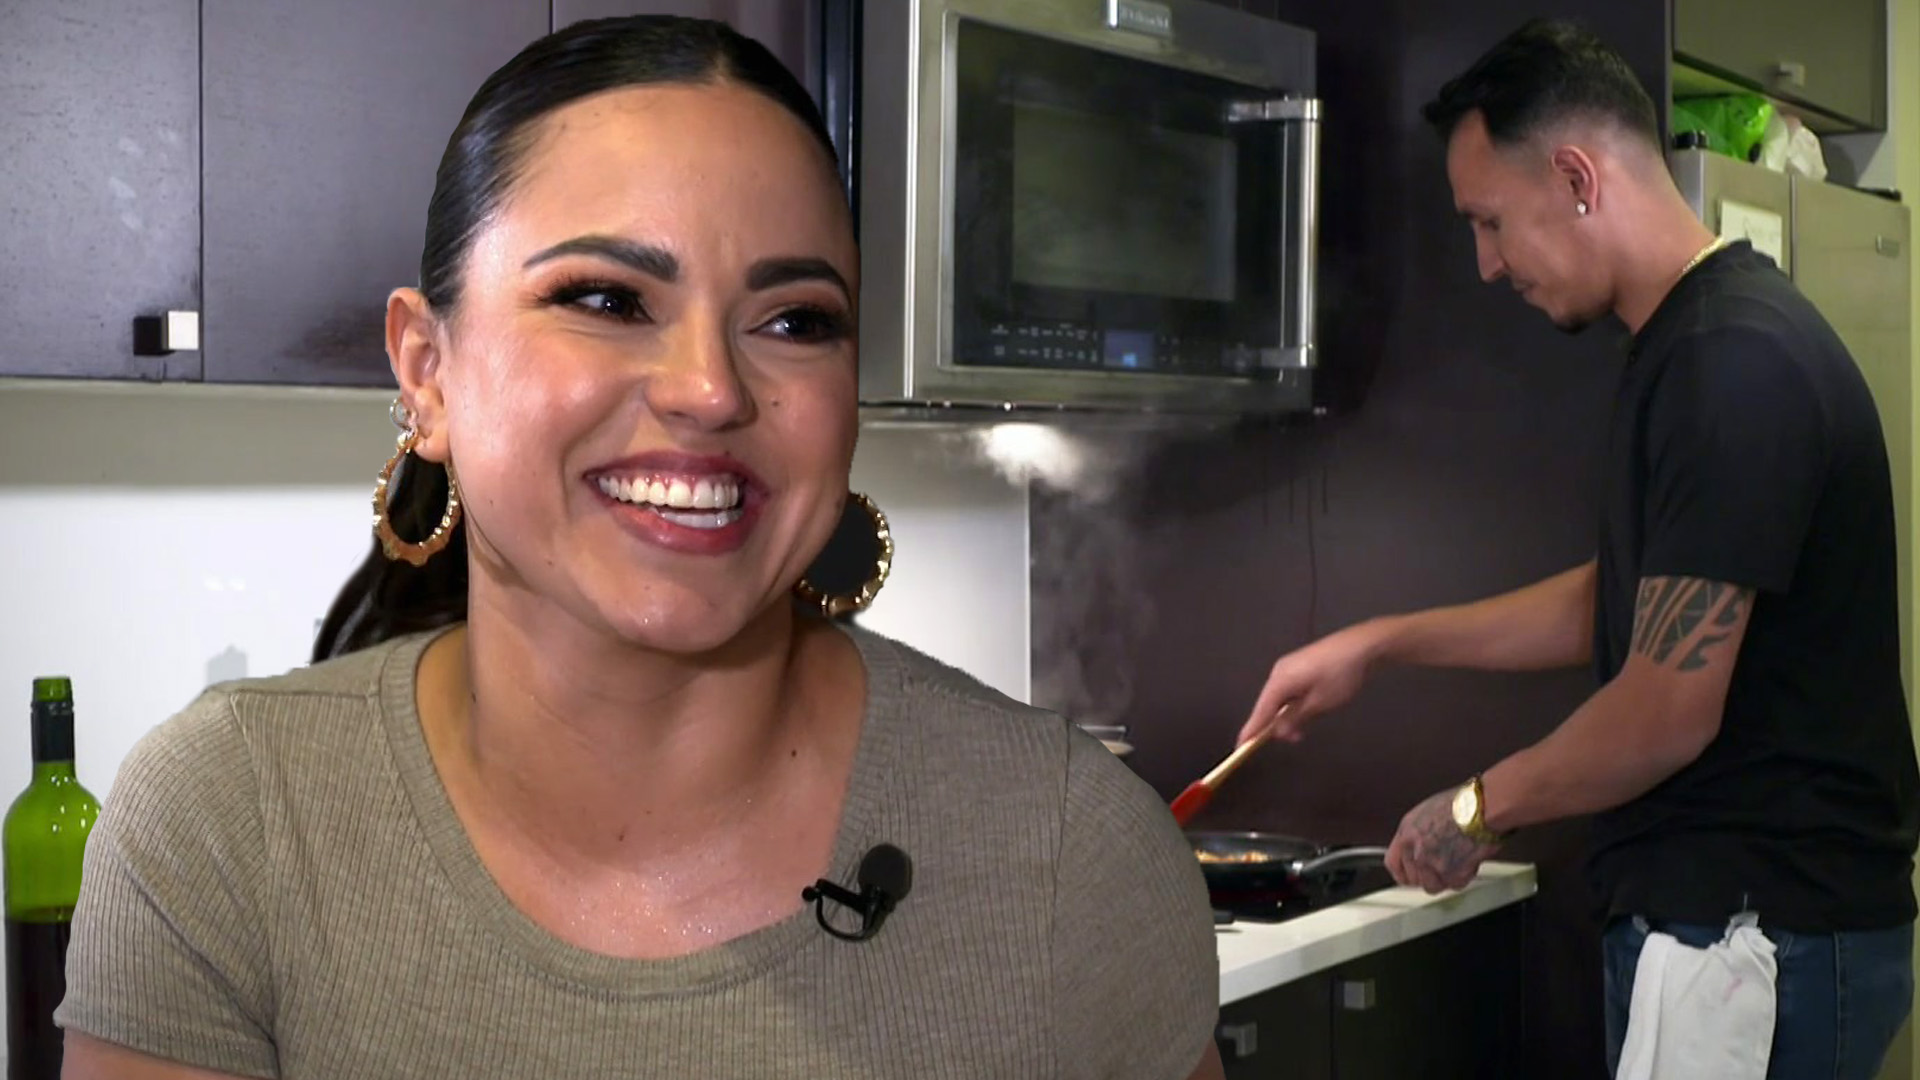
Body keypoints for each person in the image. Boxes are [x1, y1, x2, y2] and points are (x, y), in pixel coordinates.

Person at [54, 17, 1222, 1079]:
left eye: (795, 320)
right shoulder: (229, 825)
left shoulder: (1073, 853)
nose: (711, 389)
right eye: (608, 300)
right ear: (427, 372)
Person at [1236, 18, 1918, 1080]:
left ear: (1575, 177)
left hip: (1755, 942)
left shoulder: (1729, 363)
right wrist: (1379, 643)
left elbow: (1664, 708)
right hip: (1745, 933)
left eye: (1491, 221)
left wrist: (1476, 809)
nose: (1486, 263)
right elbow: (1636, 595)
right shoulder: (1694, 342)